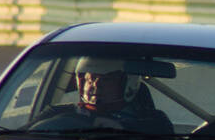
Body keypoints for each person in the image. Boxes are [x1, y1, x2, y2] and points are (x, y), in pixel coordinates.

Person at [34, 56, 172, 133]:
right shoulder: (56, 112)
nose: (95, 86)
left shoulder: (153, 120)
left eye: (106, 80)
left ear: (128, 83)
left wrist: (124, 129)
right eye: (91, 79)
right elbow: (25, 136)